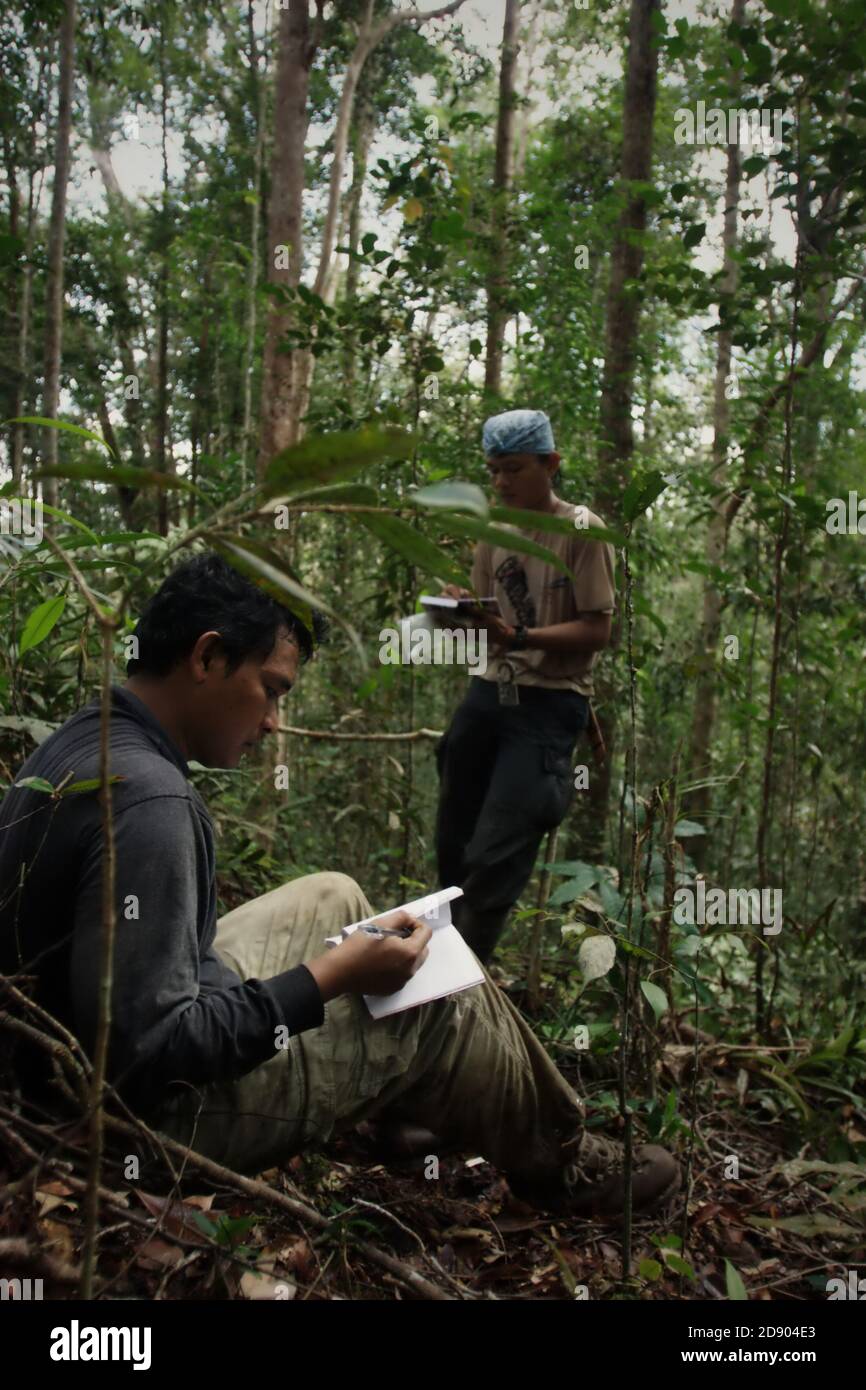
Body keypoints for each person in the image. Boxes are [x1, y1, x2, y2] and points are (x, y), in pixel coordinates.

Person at [0, 552, 677, 1215]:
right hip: (122, 1132)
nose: (271, 721)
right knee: (435, 986)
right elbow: (151, 1057)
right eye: (271, 689)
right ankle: (563, 1163)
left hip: (60, 1072)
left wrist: (290, 983)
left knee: (333, 894)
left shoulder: (87, 737)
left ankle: (423, 1096)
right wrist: (328, 979)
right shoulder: (153, 803)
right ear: (206, 658)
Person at [435, 408, 616, 965]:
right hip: (489, 692)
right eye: (493, 471)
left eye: (512, 469)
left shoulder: (581, 530)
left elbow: (597, 627)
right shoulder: (494, 531)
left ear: (551, 464)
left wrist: (519, 635)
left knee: (497, 855)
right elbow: (490, 623)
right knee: (454, 843)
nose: (500, 483)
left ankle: (458, 985)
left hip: (550, 703)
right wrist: (461, 612)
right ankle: (435, 965)